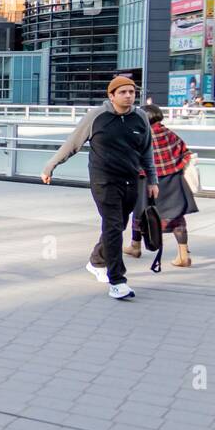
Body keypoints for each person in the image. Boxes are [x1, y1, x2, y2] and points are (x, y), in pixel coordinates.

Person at [42, 76, 158, 300]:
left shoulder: (140, 117)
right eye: (123, 92)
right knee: (114, 226)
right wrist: (50, 165)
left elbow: (146, 151)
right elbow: (72, 143)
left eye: (131, 92)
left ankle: (96, 261)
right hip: (104, 180)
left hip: (131, 180)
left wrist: (153, 180)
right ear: (111, 95)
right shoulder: (97, 116)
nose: (128, 96)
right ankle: (117, 281)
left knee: (118, 226)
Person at [124, 105, 198, 268]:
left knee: (140, 213)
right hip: (172, 181)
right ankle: (183, 255)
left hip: (147, 182)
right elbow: (184, 152)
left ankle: (135, 246)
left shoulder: (139, 135)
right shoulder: (168, 133)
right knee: (176, 216)